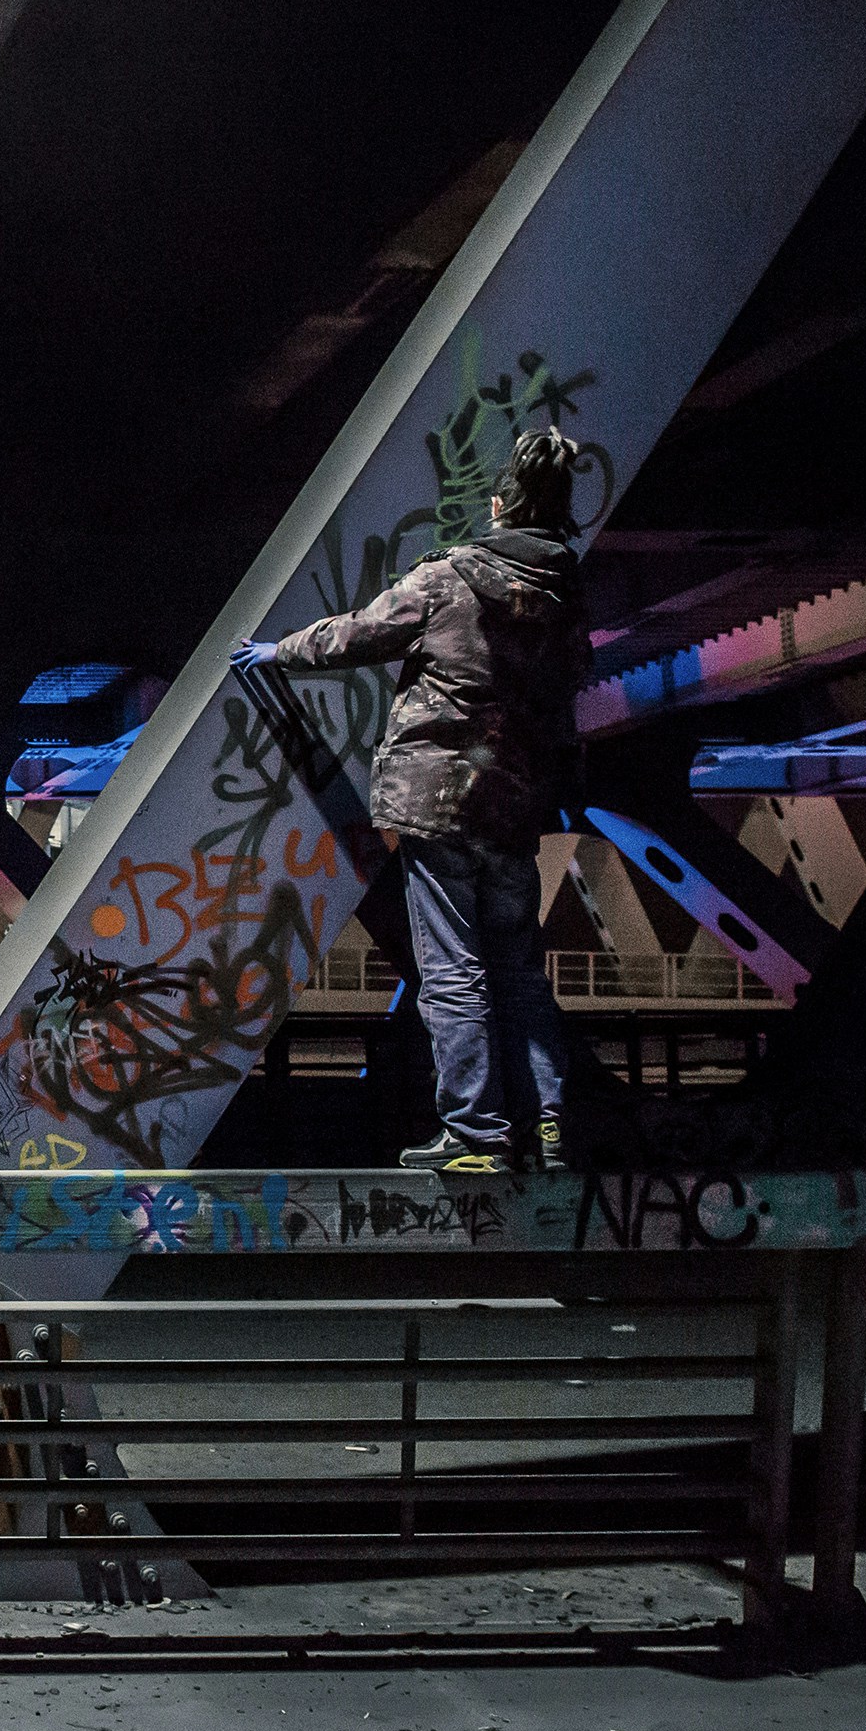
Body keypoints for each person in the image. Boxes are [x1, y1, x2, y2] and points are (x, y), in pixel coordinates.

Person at [232, 428, 591, 1176]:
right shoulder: (565, 599)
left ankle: (475, 1132)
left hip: (437, 801)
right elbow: (563, 704)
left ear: (498, 507)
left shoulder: (453, 578)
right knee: (519, 968)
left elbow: (361, 635)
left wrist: (277, 652)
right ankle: (548, 1124)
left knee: (454, 967)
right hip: (514, 806)